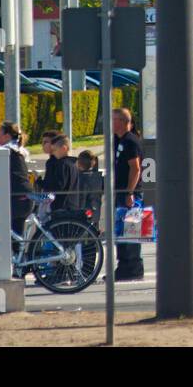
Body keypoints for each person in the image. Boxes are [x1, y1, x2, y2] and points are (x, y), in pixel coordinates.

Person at [111, 107, 145, 281]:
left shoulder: (130, 141)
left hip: (130, 193)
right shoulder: (118, 140)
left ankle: (133, 269)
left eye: (114, 119)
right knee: (121, 232)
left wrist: (130, 192)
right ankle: (123, 267)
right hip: (120, 192)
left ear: (123, 122)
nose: (110, 123)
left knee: (130, 232)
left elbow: (136, 168)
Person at [0, 121, 34, 264]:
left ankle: (17, 262)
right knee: (16, 232)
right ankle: (18, 264)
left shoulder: (6, 152)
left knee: (3, 228)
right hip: (24, 196)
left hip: (18, 197)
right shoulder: (18, 150)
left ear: (6, 136)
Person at [39, 133, 81, 215]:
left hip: (61, 205)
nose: (53, 153)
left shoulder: (62, 164)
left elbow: (58, 186)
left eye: (55, 150)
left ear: (64, 148)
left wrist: (40, 182)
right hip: (72, 204)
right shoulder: (73, 163)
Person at [76, 150, 104, 230]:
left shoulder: (79, 178)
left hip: (82, 211)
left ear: (79, 164)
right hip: (95, 210)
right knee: (94, 229)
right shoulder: (98, 177)